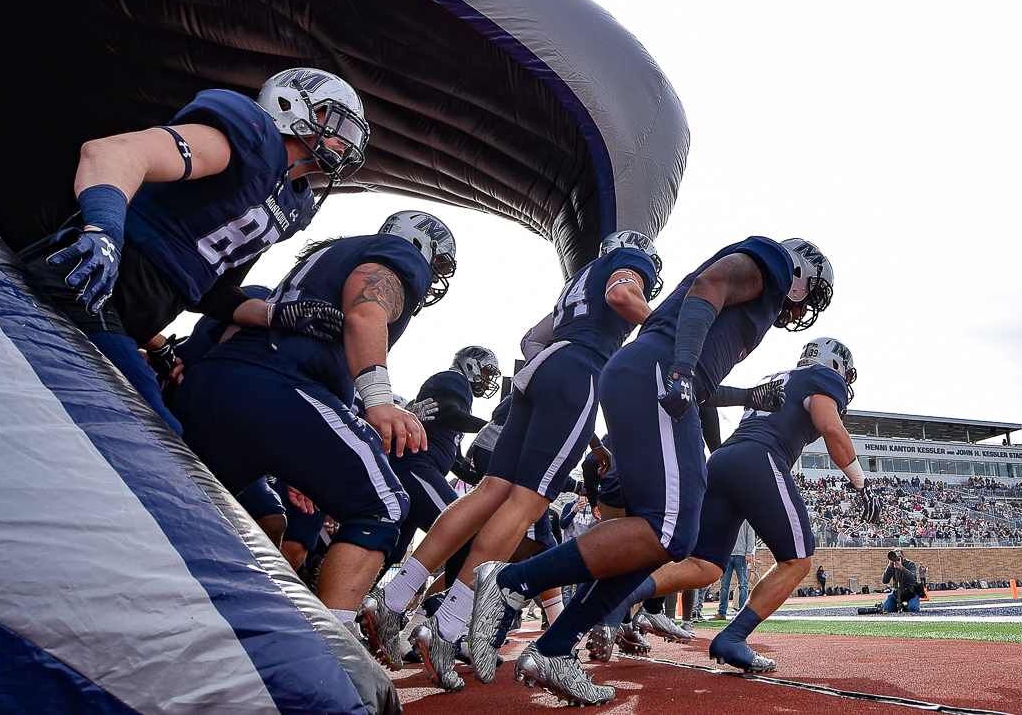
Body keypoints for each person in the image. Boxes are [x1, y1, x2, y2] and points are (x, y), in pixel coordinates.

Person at [467, 237, 836, 704]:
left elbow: (698, 378)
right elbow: (710, 284)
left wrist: (725, 389)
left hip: (650, 372)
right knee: (667, 529)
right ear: (803, 271)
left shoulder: (723, 321)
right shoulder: (774, 263)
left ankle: (556, 648)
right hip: (658, 371)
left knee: (670, 537)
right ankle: (510, 583)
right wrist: (681, 370)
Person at [372, 232, 662, 690]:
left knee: (492, 492)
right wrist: (662, 328)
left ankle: (395, 596)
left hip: (542, 367)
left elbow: (532, 339)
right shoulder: (627, 264)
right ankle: (448, 627)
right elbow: (623, 294)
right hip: (579, 367)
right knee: (525, 503)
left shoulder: (579, 279)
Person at [22, 68, 366, 434]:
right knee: (153, 430)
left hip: (127, 315)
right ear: (292, 104)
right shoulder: (252, 135)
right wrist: (104, 229)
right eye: (341, 125)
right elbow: (111, 152)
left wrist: (277, 315)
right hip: (86, 282)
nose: (347, 143)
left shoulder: (294, 206)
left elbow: (213, 293)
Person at [172, 210, 454, 646]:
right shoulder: (398, 254)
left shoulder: (325, 256)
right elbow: (366, 313)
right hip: (279, 385)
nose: (430, 278)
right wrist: (379, 400)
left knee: (195, 519)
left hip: (219, 384)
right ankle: (334, 652)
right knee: (382, 504)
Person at [592, 337, 868, 676]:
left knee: (704, 565)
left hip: (722, 461)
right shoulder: (823, 378)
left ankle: (617, 599)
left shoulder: (775, 377)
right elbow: (831, 427)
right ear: (836, 366)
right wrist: (860, 483)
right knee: (798, 559)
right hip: (759, 457)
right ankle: (734, 637)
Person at [357, 349, 497, 672]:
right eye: (486, 372)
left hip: (414, 468)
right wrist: (489, 426)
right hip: (416, 467)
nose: (487, 381)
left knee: (392, 551)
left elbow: (456, 457)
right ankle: (445, 624)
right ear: (470, 366)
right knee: (467, 532)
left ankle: (362, 612)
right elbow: (447, 412)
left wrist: (492, 479)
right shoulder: (454, 381)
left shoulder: (455, 392)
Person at [718, 521, 756, 619]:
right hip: (728, 555)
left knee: (742, 584)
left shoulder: (746, 519)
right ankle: (722, 613)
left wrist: (748, 553)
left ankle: (741, 612)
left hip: (740, 554)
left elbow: (751, 536)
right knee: (724, 586)